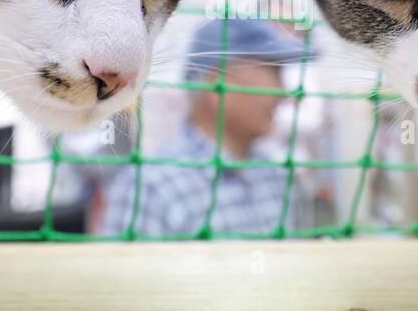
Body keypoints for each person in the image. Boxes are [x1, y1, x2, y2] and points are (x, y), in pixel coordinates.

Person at [100, 18, 314, 236]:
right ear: (218, 83)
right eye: (273, 73)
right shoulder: (149, 189)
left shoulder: (277, 177)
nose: (285, 93)